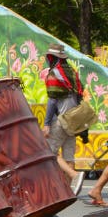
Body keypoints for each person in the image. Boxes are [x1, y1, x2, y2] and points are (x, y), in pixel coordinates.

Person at [42, 43, 85, 195]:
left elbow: (52, 100)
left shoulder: (54, 73)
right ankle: (67, 191)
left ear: (52, 57)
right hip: (74, 119)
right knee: (68, 154)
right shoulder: (72, 72)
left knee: (49, 152)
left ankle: (75, 175)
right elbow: (80, 94)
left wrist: (47, 124)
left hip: (61, 119)